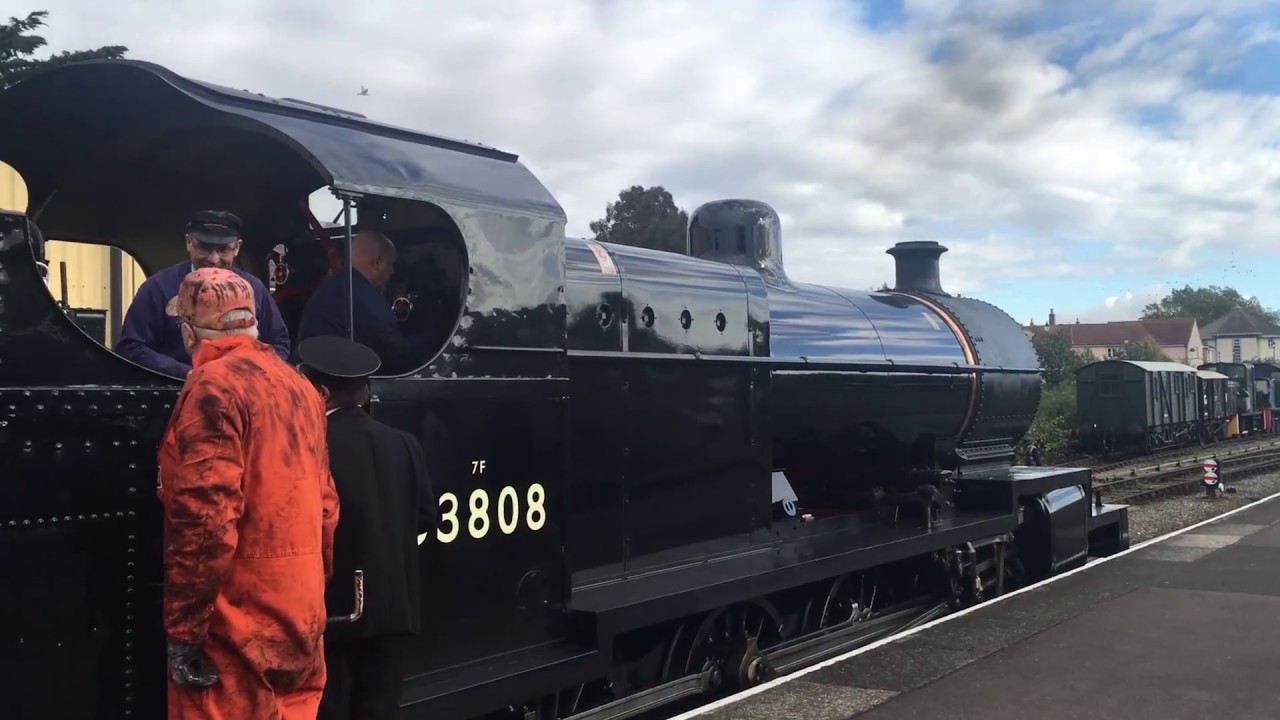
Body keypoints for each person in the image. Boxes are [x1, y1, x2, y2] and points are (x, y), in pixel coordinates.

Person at [157, 267, 340, 719]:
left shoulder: (214, 385)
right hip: (302, 607)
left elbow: (206, 519)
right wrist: (314, 585)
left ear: (188, 330)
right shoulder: (300, 387)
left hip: (238, 614)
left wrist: (184, 629)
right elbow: (327, 508)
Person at [296, 334, 437, 720]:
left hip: (335, 611)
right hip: (395, 608)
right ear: (364, 390)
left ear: (319, 392)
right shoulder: (405, 444)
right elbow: (426, 517)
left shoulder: (312, 445)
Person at [116, 210, 291, 378]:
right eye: (205, 248)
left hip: (243, 392)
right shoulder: (157, 288)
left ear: (237, 247)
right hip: (177, 390)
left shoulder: (256, 288)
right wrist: (188, 373)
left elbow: (279, 343)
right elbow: (132, 347)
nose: (214, 259)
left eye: (223, 250)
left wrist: (250, 373)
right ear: (188, 242)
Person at [295, 229, 435, 375]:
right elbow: (397, 357)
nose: (392, 271)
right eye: (391, 264)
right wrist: (433, 335)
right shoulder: (365, 299)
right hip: (332, 387)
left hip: (312, 379)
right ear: (377, 262)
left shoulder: (336, 286)